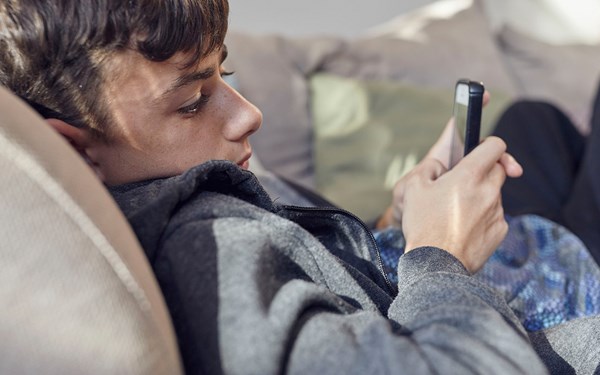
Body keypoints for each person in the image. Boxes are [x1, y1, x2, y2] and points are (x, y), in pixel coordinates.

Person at [1, 1, 599, 374]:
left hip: (520, 265)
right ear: (78, 149)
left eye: (225, 73)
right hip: (560, 305)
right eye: (191, 102)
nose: (247, 115)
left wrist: (396, 226)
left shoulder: (194, 189)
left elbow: (338, 289)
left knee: (534, 121)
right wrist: (439, 257)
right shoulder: (204, 247)